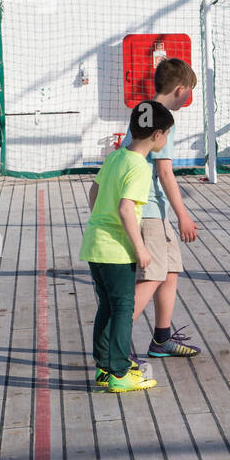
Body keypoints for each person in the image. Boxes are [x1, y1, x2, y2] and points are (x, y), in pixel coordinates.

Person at [80, 100, 174, 393]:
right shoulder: (139, 166)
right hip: (116, 251)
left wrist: (100, 222)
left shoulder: (116, 157)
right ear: (157, 134)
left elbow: (94, 191)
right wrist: (141, 249)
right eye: (167, 134)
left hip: (95, 245)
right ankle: (120, 372)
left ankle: (104, 368)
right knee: (123, 307)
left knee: (107, 307)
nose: (167, 139)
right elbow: (124, 209)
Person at [126, 57, 202, 359]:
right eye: (189, 92)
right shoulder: (161, 120)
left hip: (154, 211)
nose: (188, 98)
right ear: (180, 90)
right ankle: (114, 341)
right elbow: (166, 173)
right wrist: (183, 215)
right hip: (149, 212)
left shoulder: (145, 110)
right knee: (152, 276)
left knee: (169, 271)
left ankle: (161, 338)